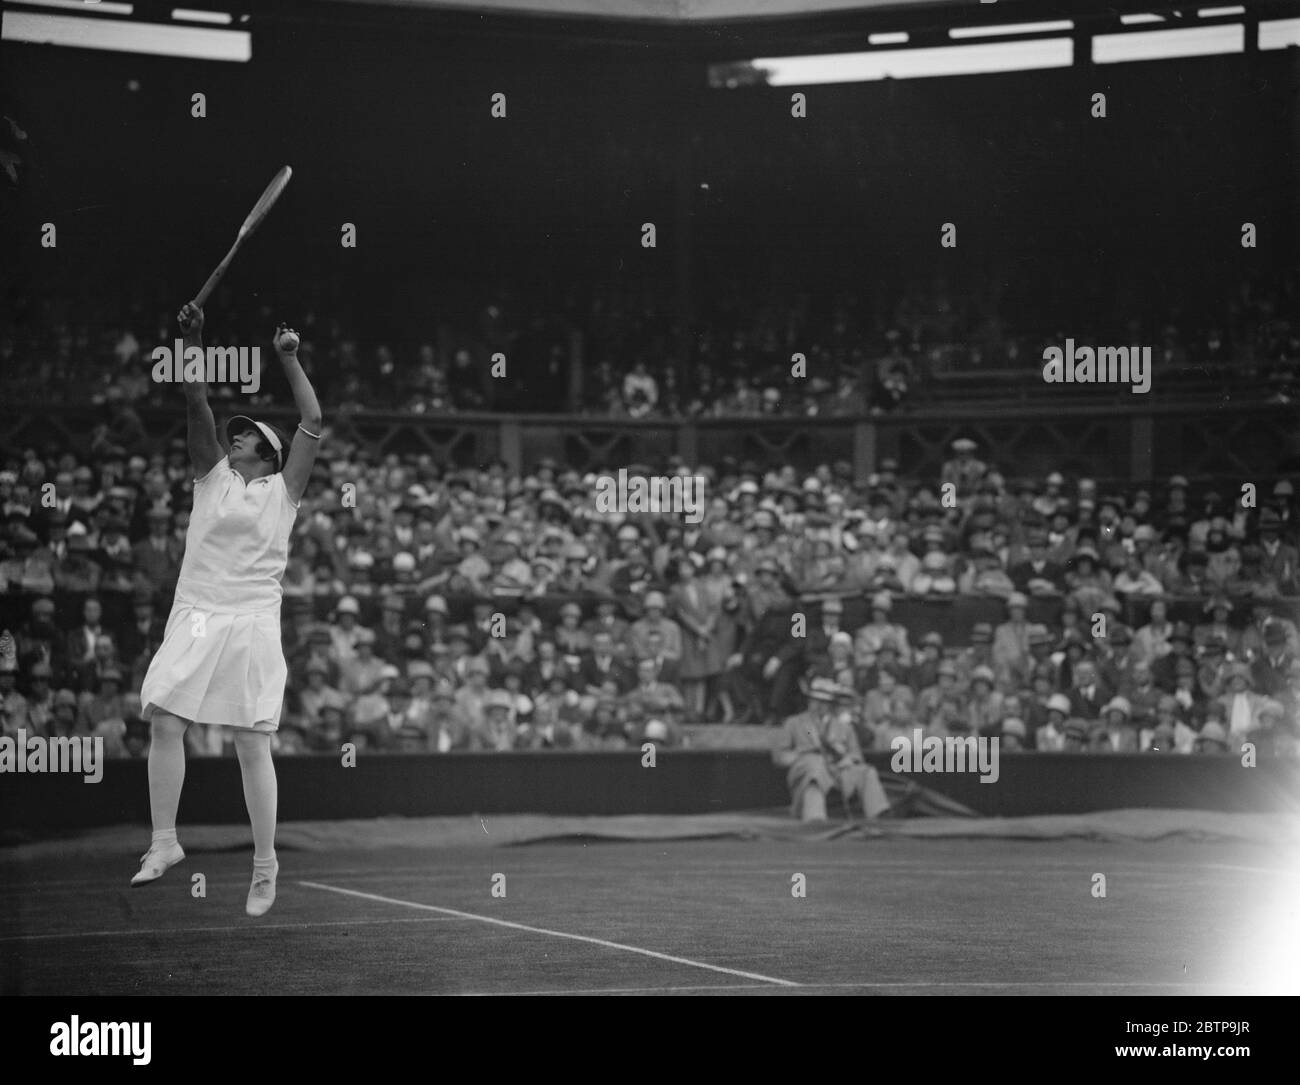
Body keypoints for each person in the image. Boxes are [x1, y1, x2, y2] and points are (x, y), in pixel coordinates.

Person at [132, 305, 321, 918]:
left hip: (253, 619)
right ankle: (165, 841)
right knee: (165, 719)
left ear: (269, 453)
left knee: (250, 742)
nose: (235, 435)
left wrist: (289, 358)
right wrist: (192, 338)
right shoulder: (211, 477)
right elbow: (196, 404)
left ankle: (265, 865)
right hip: (197, 612)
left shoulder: (285, 490)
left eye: (247, 434)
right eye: (234, 431)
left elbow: (313, 420)